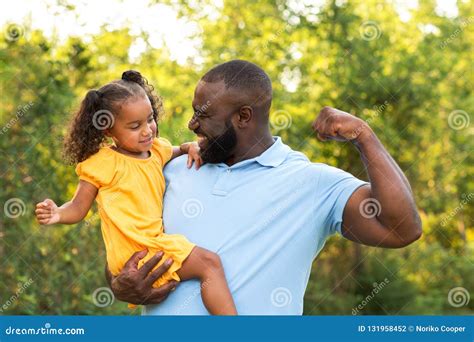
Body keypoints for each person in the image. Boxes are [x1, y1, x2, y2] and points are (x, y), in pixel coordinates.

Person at [107, 60, 422, 315]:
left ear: (243, 117)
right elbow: (121, 250)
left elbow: (401, 228)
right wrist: (120, 284)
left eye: (204, 114)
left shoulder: (312, 183)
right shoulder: (168, 169)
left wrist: (364, 136)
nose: (192, 124)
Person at [34, 70, 237, 315]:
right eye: (134, 126)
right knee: (210, 264)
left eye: (150, 119)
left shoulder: (156, 150)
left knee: (207, 266)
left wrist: (190, 146)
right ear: (108, 130)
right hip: (136, 252)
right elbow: (78, 208)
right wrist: (57, 213)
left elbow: (178, 149)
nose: (147, 130)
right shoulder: (102, 163)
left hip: (152, 243)